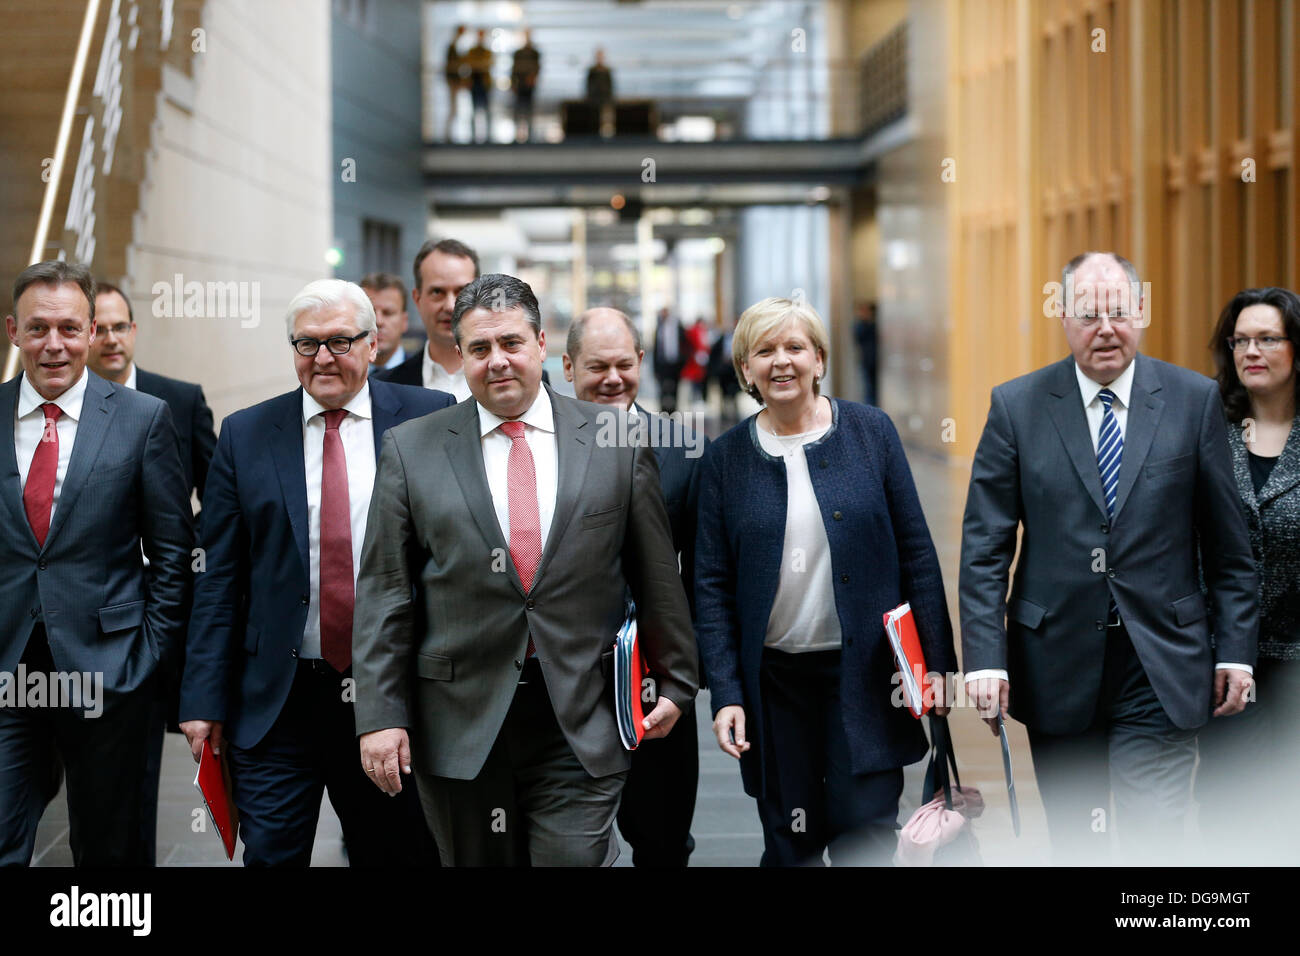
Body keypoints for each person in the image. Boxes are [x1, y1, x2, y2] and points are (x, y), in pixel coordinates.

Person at [353, 274, 699, 867]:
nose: (498, 362)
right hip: (459, 722)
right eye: (480, 349)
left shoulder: (616, 441)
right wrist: (380, 717)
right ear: (460, 355)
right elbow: (385, 592)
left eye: (511, 343)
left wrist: (676, 678)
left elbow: (655, 577)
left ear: (542, 344)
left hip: (581, 716)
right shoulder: (412, 449)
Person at [960, 251, 1258, 865]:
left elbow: (1228, 548)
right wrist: (986, 661)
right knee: (1078, 841)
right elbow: (985, 547)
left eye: (1119, 312)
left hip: (1161, 660)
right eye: (1089, 314)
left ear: (1141, 313)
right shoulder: (1017, 407)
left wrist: (1234, 651)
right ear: (1063, 316)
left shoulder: (1192, 400)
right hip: (1056, 662)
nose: (1106, 328)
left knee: (1156, 838)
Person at [179, 280, 453, 866]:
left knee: (396, 852)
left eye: (339, 342)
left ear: (374, 344)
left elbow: (448, 561)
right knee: (272, 855)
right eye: (306, 344)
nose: (322, 358)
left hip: (388, 692)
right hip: (276, 701)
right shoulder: (247, 433)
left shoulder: (430, 419)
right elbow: (219, 577)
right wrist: (202, 697)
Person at [695, 296, 956, 866]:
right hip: (776, 686)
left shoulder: (871, 434)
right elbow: (711, 587)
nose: (781, 361)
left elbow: (916, 553)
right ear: (746, 370)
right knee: (792, 843)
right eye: (764, 350)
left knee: (865, 832)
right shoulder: (726, 460)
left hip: (866, 676)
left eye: (795, 347)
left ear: (819, 359)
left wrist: (937, 667)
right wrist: (726, 694)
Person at [0, 260, 193, 866]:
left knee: (108, 851)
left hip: (108, 672)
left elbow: (171, 554)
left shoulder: (143, 419)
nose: (53, 344)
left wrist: (145, 658)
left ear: (90, 332)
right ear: (12, 331)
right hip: (7, 670)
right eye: (37, 329)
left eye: (68, 328)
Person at [562, 306, 706, 867]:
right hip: (565, 681)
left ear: (642, 362)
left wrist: (686, 678)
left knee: (663, 838)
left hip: (656, 685)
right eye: (597, 366)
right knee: (569, 842)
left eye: (625, 364)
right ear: (568, 365)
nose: (612, 378)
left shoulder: (685, 451)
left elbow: (701, 575)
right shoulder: (536, 446)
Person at [88, 278, 218, 866]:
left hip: (164, 608)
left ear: (134, 330)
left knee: (142, 768)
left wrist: (186, 555)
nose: (111, 339)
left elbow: (219, 494)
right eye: (99, 328)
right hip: (89, 611)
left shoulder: (177, 399)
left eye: (120, 326)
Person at [1196, 287, 1300, 862]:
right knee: (1226, 808)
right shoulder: (1207, 428)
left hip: (1295, 662)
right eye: (1240, 340)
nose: (1250, 351)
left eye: (1267, 338)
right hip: (1223, 661)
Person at [377, 238, 478, 400]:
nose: (450, 306)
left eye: (461, 291)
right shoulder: (383, 388)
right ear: (417, 299)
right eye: (438, 292)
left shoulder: (503, 379)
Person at [359, 272, 410, 373]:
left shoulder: (422, 375)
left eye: (388, 313)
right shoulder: (344, 375)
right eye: (371, 313)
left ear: (404, 321)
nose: (378, 321)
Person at [653, 306, 689, 414]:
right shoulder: (659, 328)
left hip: (675, 364)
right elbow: (656, 348)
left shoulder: (677, 327)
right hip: (662, 364)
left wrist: (683, 360)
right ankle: (663, 411)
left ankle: (673, 411)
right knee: (663, 389)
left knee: (675, 388)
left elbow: (685, 344)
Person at [708, 316, 741, 426]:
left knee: (734, 393)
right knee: (723, 393)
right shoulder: (722, 338)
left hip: (734, 370)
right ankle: (724, 413)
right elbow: (714, 353)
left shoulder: (741, 339)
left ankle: (734, 412)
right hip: (723, 371)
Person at [511, 30, 541, 143]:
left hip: (530, 85)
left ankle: (530, 134)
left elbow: (538, 67)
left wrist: (532, 78)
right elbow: (514, 69)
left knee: (529, 109)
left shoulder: (534, 53)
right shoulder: (518, 53)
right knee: (518, 109)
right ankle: (517, 134)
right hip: (520, 84)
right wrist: (513, 84)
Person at [465, 28, 494, 143]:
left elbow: (487, 64)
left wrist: (478, 65)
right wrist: (480, 65)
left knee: (486, 110)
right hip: (474, 82)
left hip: (484, 83)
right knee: (473, 110)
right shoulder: (472, 51)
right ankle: (473, 136)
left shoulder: (487, 51)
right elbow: (470, 64)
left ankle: (488, 136)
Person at [443, 25, 467, 142]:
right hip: (453, 81)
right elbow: (452, 65)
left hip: (454, 80)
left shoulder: (455, 45)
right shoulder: (452, 46)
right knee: (453, 109)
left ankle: (448, 134)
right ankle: (447, 134)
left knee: (454, 109)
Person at [853, 301, 878, 405]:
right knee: (869, 389)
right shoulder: (860, 326)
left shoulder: (874, 325)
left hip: (877, 361)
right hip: (867, 361)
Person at [586, 47, 614, 129]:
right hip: (594, 98)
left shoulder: (607, 70)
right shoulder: (592, 70)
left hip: (605, 98)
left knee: (605, 118)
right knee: (594, 118)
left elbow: (610, 85)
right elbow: (588, 84)